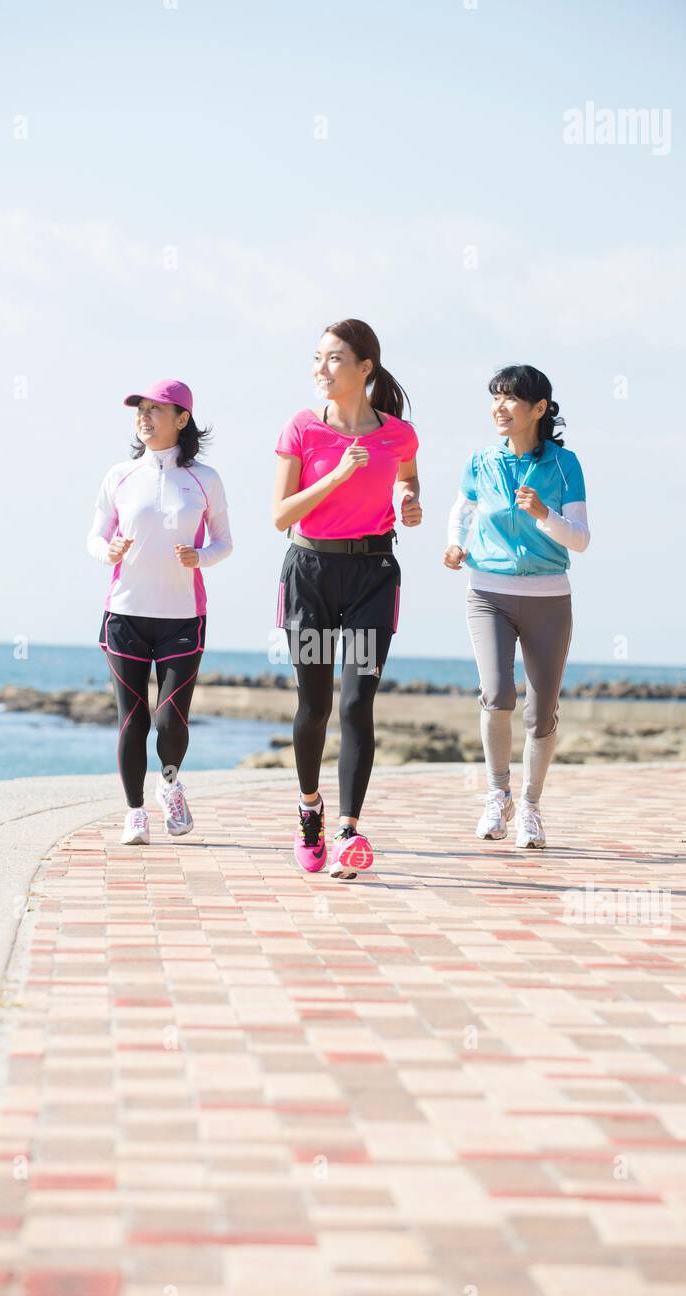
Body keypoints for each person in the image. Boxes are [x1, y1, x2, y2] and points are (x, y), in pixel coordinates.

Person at [272, 319, 421, 879]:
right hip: (311, 571)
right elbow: (280, 515)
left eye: (334, 358)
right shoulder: (303, 429)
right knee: (315, 706)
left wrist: (408, 500)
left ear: (365, 368)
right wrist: (335, 478)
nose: (321, 368)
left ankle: (349, 832)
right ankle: (310, 809)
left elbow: (406, 477)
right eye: (318, 358)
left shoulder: (397, 434)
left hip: (371, 576)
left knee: (357, 702)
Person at [444, 365, 590, 849]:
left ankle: (529, 805)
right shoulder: (481, 461)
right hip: (487, 592)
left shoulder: (564, 466)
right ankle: (496, 793)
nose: (499, 407)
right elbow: (462, 509)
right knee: (497, 693)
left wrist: (543, 515)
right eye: (495, 397)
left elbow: (581, 540)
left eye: (510, 399)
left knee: (540, 714)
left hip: (549, 596)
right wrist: (455, 544)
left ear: (539, 409)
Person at [87, 379, 232, 845]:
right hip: (125, 614)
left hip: (183, 618)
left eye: (156, 410)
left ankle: (169, 784)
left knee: (171, 720)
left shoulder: (204, 480)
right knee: (133, 718)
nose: (144, 418)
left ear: (182, 419)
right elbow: (94, 537)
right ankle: (134, 813)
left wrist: (201, 557)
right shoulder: (120, 476)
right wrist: (107, 551)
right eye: (140, 411)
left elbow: (224, 542)